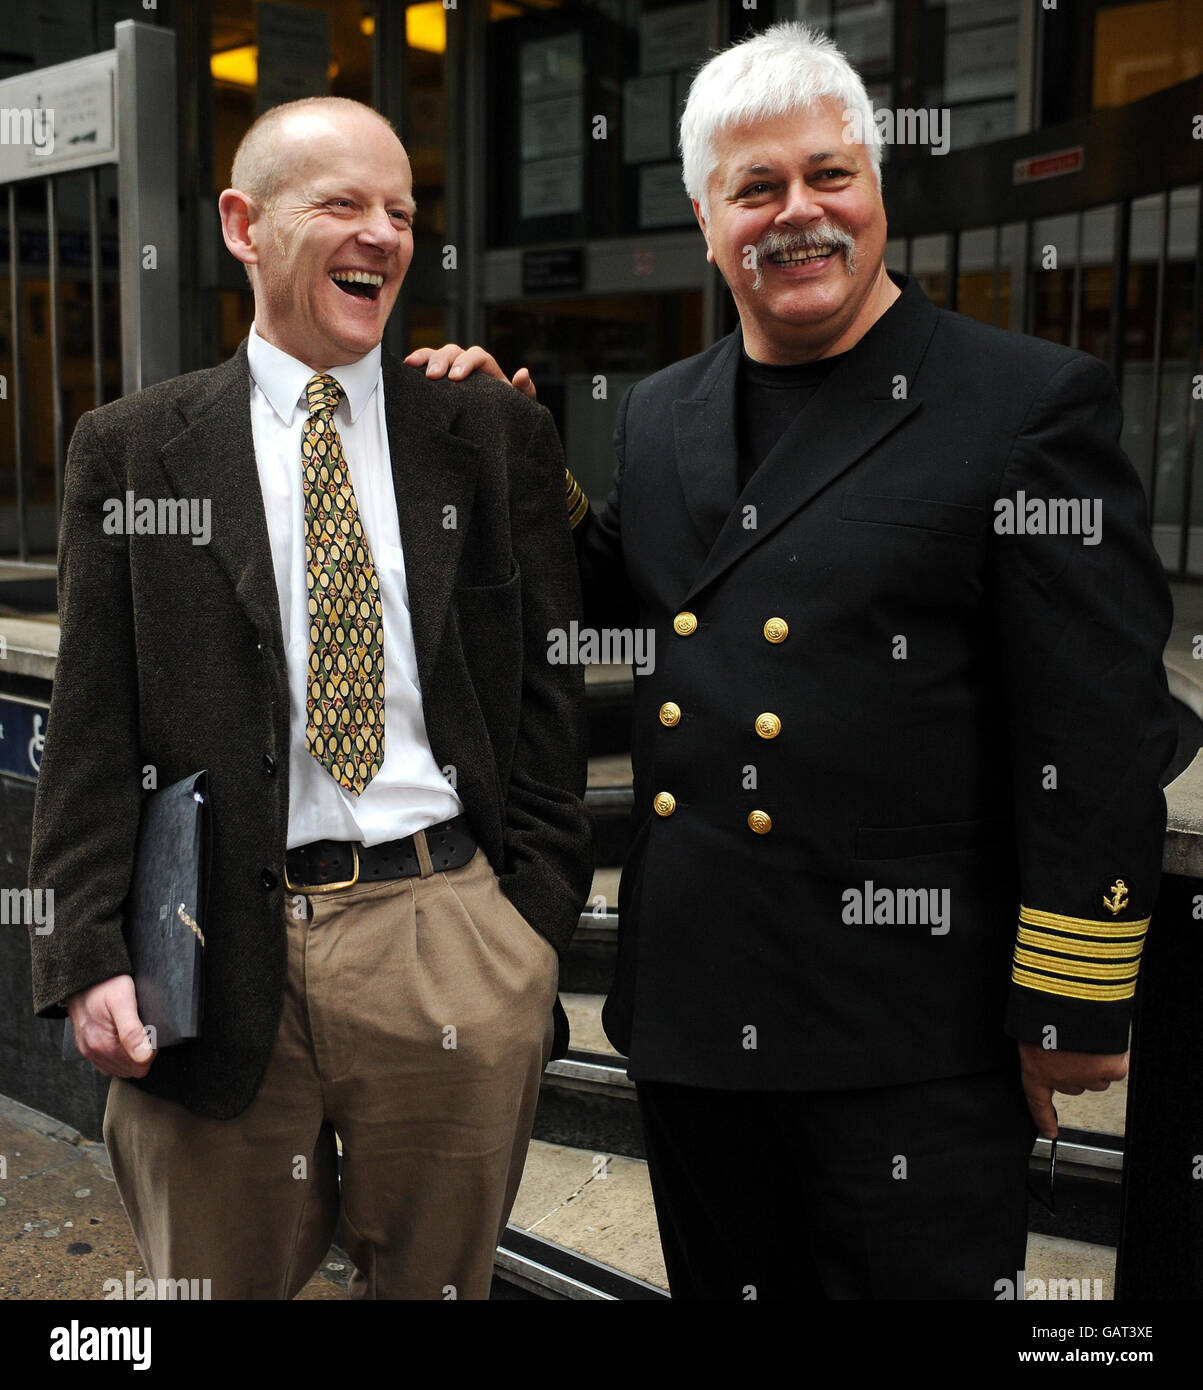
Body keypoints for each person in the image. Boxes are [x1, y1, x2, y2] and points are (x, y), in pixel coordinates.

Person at [413, 22, 1177, 1298]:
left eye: (829, 176)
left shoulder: (1025, 404)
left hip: (909, 1031)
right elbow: (626, 599)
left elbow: (1098, 725)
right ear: (707, 218)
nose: (797, 214)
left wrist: (1073, 999)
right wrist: (509, 453)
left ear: (878, 188)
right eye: (755, 188)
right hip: (700, 1009)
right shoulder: (662, 410)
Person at [27, 96, 592, 1301]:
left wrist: (527, 926)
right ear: (244, 223)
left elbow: (551, 693)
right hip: (204, 950)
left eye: (399, 210)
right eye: (341, 203)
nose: (381, 234)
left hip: (446, 940)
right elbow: (90, 722)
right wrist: (83, 949)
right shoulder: (132, 449)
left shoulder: (490, 433)